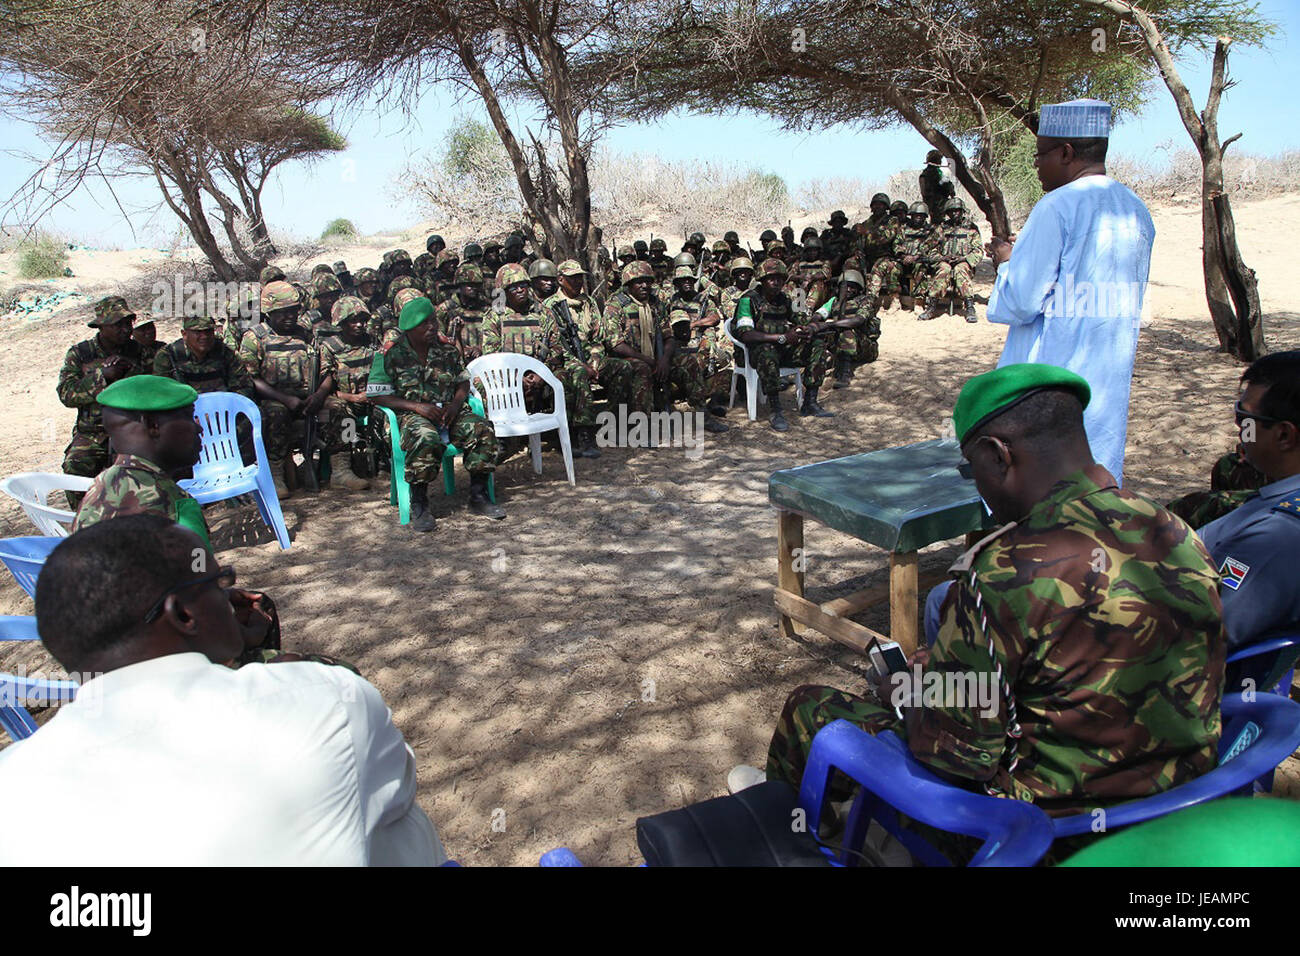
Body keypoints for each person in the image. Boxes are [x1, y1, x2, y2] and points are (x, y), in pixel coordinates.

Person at [736, 364, 1224, 855]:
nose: (977, 486)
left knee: (812, 708)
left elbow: (960, 756)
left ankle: (792, 835)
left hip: (1035, 827)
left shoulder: (1002, 571)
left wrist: (903, 695)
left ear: (999, 455)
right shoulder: (1175, 530)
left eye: (972, 470)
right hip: (1172, 804)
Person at [0, 514, 444, 866]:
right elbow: (396, 785)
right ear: (184, 615)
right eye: (219, 583)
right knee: (395, 827)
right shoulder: (326, 699)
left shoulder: (12, 779)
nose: (235, 596)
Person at [986, 98, 1155, 486]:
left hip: (1053, 376)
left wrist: (1007, 262)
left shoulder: (1057, 205)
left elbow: (1023, 301)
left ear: (1065, 152)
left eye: (1040, 154)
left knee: (1043, 492)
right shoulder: (1134, 208)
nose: (1036, 165)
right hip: (1106, 378)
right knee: (1095, 478)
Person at [1196, 350, 1300, 652]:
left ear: (1284, 435)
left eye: (1245, 419)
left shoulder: (1278, 536)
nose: (1240, 430)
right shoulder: (1280, 500)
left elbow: (1201, 631)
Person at [381, 298, 504, 531]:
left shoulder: (447, 351)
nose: (432, 328)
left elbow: (463, 383)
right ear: (410, 328)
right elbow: (378, 396)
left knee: (482, 429)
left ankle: (478, 496)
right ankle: (419, 503)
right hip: (413, 415)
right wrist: (417, 407)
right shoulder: (391, 356)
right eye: (424, 324)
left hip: (449, 411)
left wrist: (456, 405)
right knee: (424, 438)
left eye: (433, 322)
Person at [240, 281, 332, 499]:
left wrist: (319, 395)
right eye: (283, 313)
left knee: (337, 408)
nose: (290, 317)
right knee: (276, 414)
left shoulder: (306, 335)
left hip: (309, 398)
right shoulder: (255, 338)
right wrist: (286, 399)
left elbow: (327, 372)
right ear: (269, 313)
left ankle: (340, 466)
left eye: (293, 311)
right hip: (275, 399)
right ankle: (275, 471)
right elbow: (250, 378)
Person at [57, 295, 145, 506]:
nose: (125, 329)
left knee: (143, 472)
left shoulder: (138, 351)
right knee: (75, 467)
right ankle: (84, 520)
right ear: (102, 327)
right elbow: (66, 394)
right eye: (118, 325)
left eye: (128, 323)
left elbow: (153, 385)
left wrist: (130, 370)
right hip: (94, 432)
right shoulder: (80, 354)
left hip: (132, 427)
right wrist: (102, 376)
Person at [732, 258, 832, 430]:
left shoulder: (784, 299)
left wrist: (807, 330)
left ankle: (810, 402)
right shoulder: (748, 300)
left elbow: (802, 319)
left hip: (783, 350)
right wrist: (782, 338)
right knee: (767, 351)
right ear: (762, 280)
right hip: (756, 353)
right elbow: (747, 334)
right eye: (771, 278)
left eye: (780, 278)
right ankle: (775, 409)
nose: (776, 282)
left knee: (817, 344)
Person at [540, 260, 607, 457]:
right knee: (578, 374)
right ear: (560, 280)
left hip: (592, 356)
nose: (578, 282)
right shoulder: (551, 306)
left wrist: (594, 361)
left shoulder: (589, 303)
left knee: (624, 368)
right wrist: (582, 365)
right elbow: (556, 344)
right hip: (566, 358)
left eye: (580, 277)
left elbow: (598, 336)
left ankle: (619, 423)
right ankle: (584, 433)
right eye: (573, 278)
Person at [320, 296, 377, 490]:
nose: (360, 325)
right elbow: (324, 388)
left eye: (363, 320)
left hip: (372, 400)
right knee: (339, 410)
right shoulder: (329, 347)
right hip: (344, 402)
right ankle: (341, 471)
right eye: (354, 320)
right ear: (341, 323)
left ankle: (389, 461)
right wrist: (354, 397)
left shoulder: (371, 341)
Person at [917, 197, 984, 323]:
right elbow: (928, 247)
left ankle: (969, 306)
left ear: (962, 211)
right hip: (944, 261)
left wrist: (964, 258)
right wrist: (942, 258)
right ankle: (932, 306)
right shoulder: (942, 229)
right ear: (947, 213)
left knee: (960, 269)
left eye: (957, 211)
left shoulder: (971, 228)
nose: (954, 214)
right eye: (951, 211)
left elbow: (978, 251)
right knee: (944, 269)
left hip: (964, 262)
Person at [919, 149, 947, 223]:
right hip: (936, 207)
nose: (941, 161)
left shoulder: (936, 172)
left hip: (938, 206)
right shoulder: (931, 173)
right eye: (939, 159)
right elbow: (926, 192)